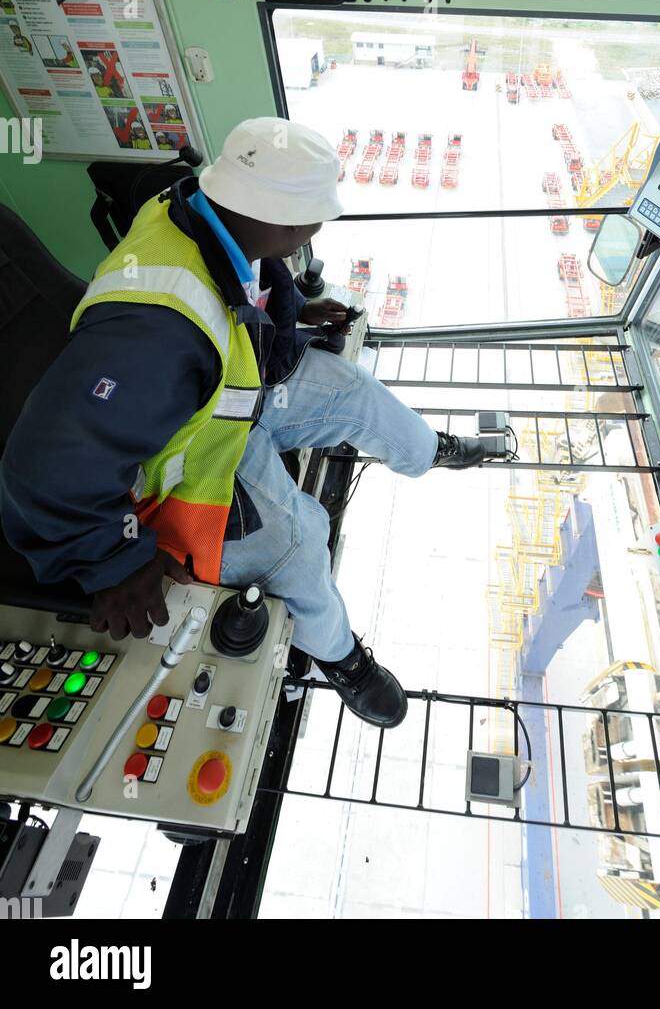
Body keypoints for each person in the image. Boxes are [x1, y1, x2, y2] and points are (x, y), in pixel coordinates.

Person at [0, 117, 489, 729]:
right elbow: (44, 466)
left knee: (352, 393)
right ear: (282, 220)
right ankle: (341, 658)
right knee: (294, 544)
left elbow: (234, 279)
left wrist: (291, 308)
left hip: (231, 385)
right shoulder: (156, 336)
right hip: (192, 451)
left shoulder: (196, 201)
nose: (310, 235)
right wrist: (116, 565)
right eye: (311, 223)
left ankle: (426, 451)